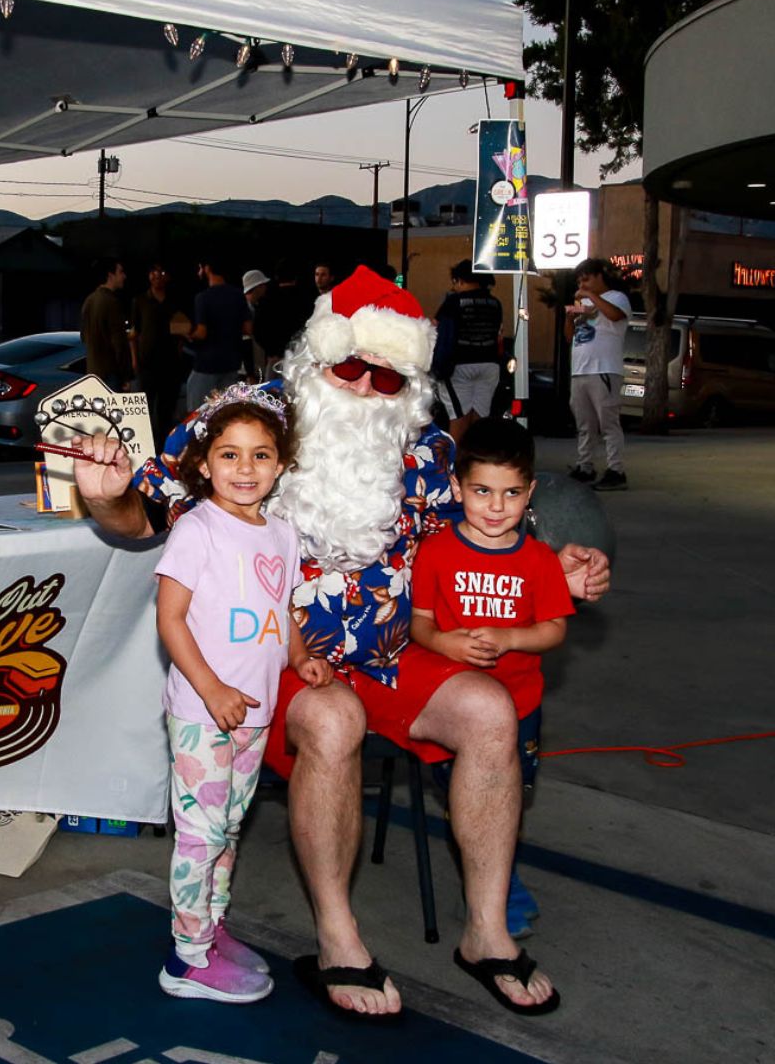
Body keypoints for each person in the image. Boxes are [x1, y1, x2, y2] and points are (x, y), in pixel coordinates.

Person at [72, 266, 610, 1019]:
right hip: (278, 660)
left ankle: (486, 933)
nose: (364, 389)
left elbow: (492, 526)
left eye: (386, 377)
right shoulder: (248, 427)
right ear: (318, 357)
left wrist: (559, 561)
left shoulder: (424, 450)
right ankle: (338, 939)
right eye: (351, 367)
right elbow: (145, 513)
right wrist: (107, 499)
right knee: (334, 719)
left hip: (395, 652)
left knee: (490, 710)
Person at [155, 382, 333, 1003]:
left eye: (261, 454)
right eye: (229, 454)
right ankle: (186, 957)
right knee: (200, 833)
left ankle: (212, 925)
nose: (245, 468)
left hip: (254, 712)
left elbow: (281, 610)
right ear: (205, 465)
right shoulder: (196, 529)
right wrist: (211, 689)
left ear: (281, 465)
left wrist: (301, 657)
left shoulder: (281, 535)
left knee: (229, 827)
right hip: (204, 713)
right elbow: (170, 619)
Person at [410, 417, 574, 973]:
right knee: (461, 793)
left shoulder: (539, 559)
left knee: (508, 795)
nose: (496, 507)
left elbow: (554, 629)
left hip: (521, 702)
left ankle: (500, 882)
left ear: (530, 493)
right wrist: (445, 643)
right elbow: (420, 622)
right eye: (482, 491)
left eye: (510, 493)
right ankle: (492, 889)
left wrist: (510, 638)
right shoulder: (436, 551)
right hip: (452, 701)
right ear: (458, 489)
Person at [565, 257, 632, 491]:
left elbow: (615, 316)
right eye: (579, 282)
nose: (582, 285)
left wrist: (591, 297)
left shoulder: (616, 297)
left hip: (604, 369)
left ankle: (616, 470)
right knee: (584, 424)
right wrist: (570, 317)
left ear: (599, 276)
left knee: (608, 423)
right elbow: (569, 337)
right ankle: (585, 466)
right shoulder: (584, 303)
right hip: (580, 370)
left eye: (586, 279)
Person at [432, 259, 504, 443]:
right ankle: (478, 456)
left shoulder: (454, 302)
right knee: (480, 419)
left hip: (459, 366)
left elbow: (438, 329)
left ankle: (455, 459)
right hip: (489, 366)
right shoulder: (495, 303)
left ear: (460, 280)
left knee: (458, 418)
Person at [185, 258, 249, 411]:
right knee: (225, 411)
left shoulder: (203, 297)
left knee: (197, 412)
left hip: (207, 364)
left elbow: (202, 332)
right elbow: (247, 329)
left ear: (207, 269)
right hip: (232, 363)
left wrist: (189, 335)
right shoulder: (238, 295)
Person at [130, 262, 183, 444]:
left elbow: (181, 332)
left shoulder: (175, 301)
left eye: (161, 271)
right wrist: (134, 360)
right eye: (153, 271)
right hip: (147, 364)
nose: (157, 275)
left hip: (170, 364)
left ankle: (164, 447)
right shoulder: (139, 301)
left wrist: (179, 354)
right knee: (144, 409)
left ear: (167, 276)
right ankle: (144, 445)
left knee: (166, 411)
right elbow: (134, 334)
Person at [252, 257, 314, 374]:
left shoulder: (267, 301)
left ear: (276, 277)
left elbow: (257, 331)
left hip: (275, 359)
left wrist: (272, 351)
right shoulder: (305, 300)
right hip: (300, 359)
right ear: (296, 277)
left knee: (272, 386)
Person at [80, 257, 131, 391]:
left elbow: (83, 337)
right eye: (120, 272)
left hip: (93, 373)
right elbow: (119, 343)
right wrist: (125, 375)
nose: (124, 276)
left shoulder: (89, 301)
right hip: (111, 374)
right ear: (110, 275)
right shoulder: (112, 302)